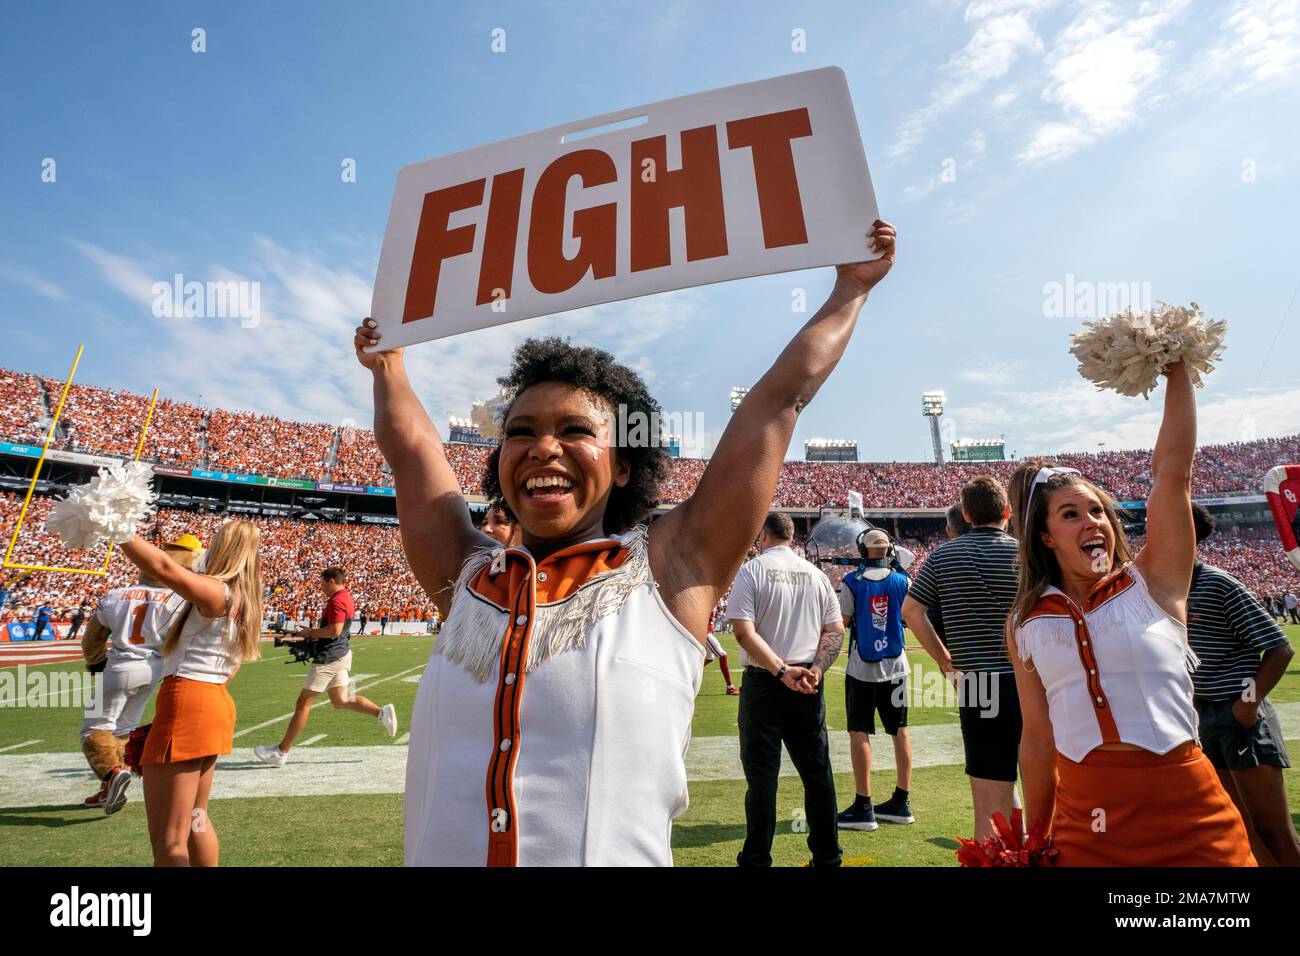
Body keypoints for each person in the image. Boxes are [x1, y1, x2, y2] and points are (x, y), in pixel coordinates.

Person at [354, 219, 896, 866]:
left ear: (625, 464)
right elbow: (413, 451)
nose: (543, 446)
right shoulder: (465, 576)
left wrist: (851, 289)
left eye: (574, 430)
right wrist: (388, 365)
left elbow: (777, 403)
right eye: (521, 430)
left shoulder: (670, 568)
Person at [1008, 362, 1254, 866]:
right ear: (1046, 537)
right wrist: (1035, 838)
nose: (1092, 522)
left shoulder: (1155, 583)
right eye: (1071, 514)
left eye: (1098, 511)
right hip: (1085, 822)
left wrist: (1178, 371)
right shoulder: (1026, 622)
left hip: (1189, 811)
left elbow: (1173, 473)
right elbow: (1037, 738)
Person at [120, 519, 264, 867]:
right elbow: (233, 667)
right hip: (213, 701)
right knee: (196, 816)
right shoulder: (245, 598)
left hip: (189, 699)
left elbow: (161, 566)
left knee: (169, 841)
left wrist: (115, 526)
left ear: (222, 548)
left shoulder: (216, 591)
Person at [901, 476, 1021, 841]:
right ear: (1007, 512)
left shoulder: (943, 555)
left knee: (989, 789)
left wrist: (945, 661)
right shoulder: (1025, 552)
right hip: (1033, 678)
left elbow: (912, 611)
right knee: (1041, 781)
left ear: (966, 514)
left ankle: (996, 860)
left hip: (977, 680)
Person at [729, 512, 846, 867]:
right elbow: (836, 629)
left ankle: (756, 858)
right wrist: (815, 670)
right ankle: (827, 857)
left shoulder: (752, 570)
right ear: (792, 536)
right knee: (818, 773)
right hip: (808, 684)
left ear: (763, 534)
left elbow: (743, 632)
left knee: (762, 777)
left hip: (767, 681)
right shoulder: (816, 575)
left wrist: (781, 671)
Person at [1187, 505, 1298, 865]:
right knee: (1241, 830)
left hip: (1240, 716)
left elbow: (1281, 648)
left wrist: (1248, 703)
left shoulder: (1219, 583)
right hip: (1202, 718)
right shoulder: (1163, 589)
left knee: (1274, 833)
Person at [79, 534, 203, 814]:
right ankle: (108, 789)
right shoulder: (178, 600)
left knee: (94, 728)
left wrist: (96, 662)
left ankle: (112, 775)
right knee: (123, 728)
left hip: (120, 665)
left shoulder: (115, 596)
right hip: (154, 668)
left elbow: (92, 640)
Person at [255, 567, 398, 767]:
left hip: (329, 657)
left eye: (323, 583)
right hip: (341, 653)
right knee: (341, 700)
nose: (322, 588)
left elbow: (335, 630)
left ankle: (281, 752)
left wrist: (309, 632)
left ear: (331, 581)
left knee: (303, 703)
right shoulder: (346, 597)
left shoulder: (337, 600)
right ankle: (381, 713)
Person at [836, 528, 914, 830]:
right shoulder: (903, 580)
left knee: (859, 732)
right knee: (901, 732)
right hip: (897, 665)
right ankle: (902, 801)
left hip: (861, 669)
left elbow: (842, 624)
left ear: (862, 551)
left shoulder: (851, 582)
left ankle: (863, 805)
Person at [704, 603, 739, 696]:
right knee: (722, 655)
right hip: (705, 632)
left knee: (709, 658)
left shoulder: (716, 601)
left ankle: (688, 675)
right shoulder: (708, 599)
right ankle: (730, 687)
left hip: (709, 631)